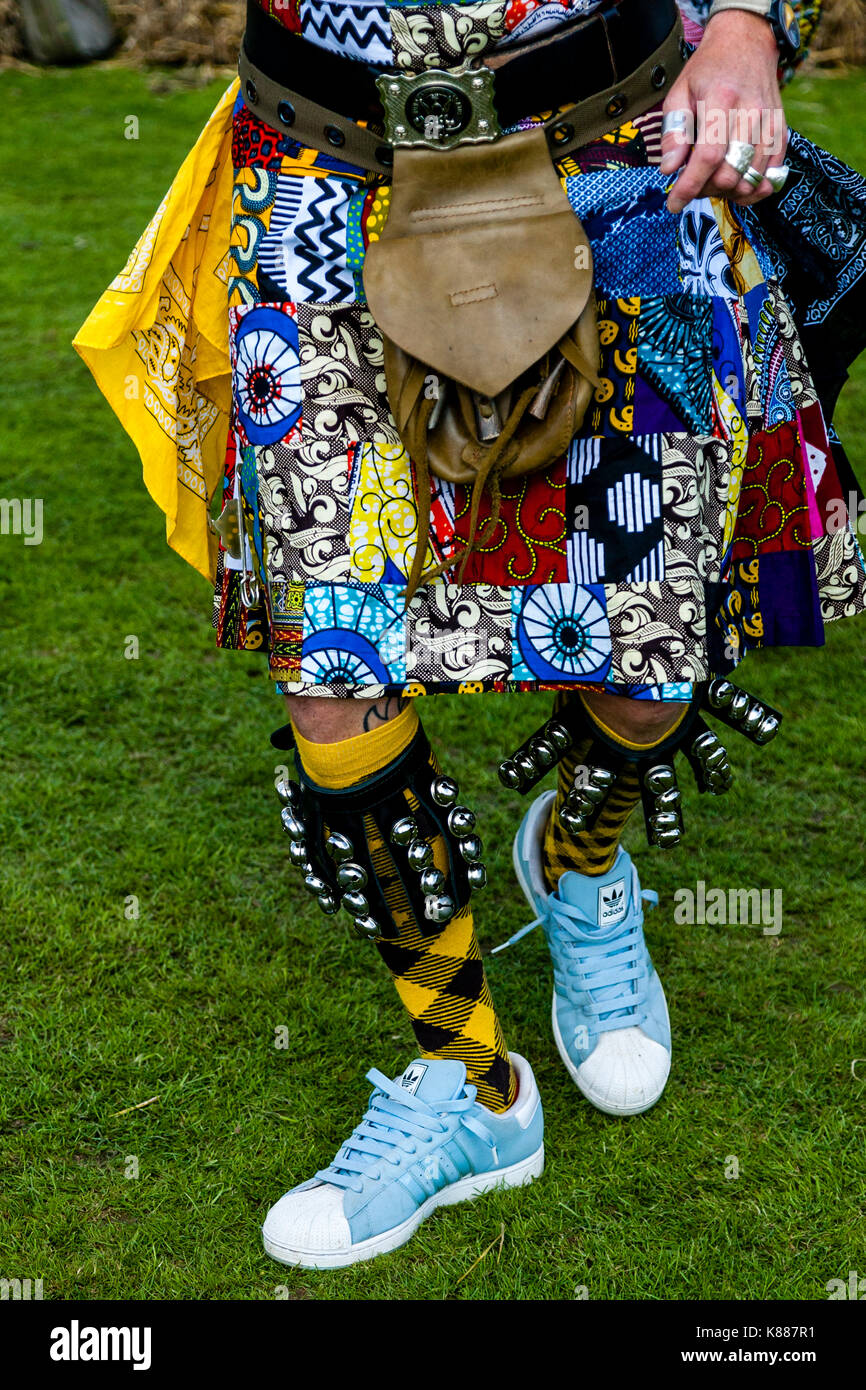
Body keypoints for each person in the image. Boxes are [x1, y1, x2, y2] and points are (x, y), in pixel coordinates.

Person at [74, 0, 866, 1271]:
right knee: (334, 653)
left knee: (651, 649)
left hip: (617, 148)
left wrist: (743, 23)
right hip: (320, 172)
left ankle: (576, 855)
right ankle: (474, 1084)